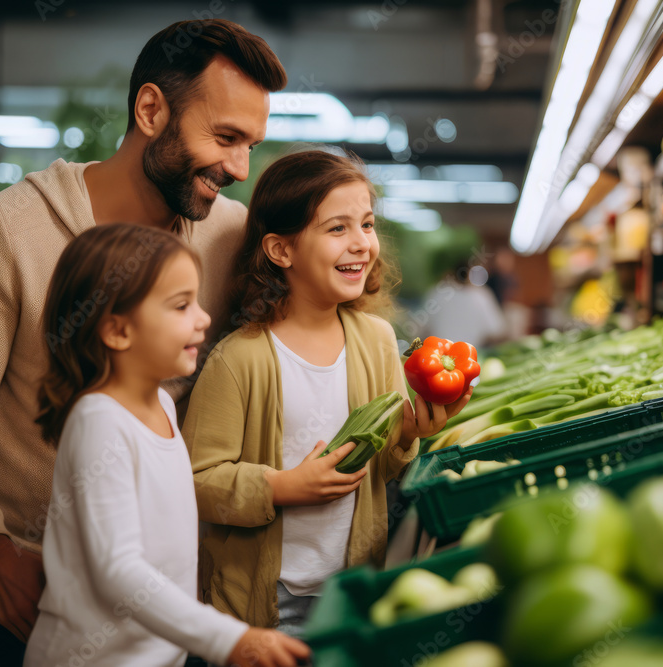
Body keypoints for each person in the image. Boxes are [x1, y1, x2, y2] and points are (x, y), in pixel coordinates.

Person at [0, 19, 286, 666]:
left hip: (177, 596)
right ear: (151, 109)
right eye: (225, 137)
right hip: (25, 580)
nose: (239, 167)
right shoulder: (11, 229)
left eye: (251, 143)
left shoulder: (232, 236)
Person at [183, 150, 472, 634]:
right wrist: (282, 488)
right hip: (261, 602)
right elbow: (194, 482)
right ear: (281, 250)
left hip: (353, 585)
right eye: (337, 229)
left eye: (366, 224)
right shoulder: (239, 358)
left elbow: (383, 468)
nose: (361, 243)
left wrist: (408, 435)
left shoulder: (378, 340)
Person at [23, 224, 309, 667]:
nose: (204, 318)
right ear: (117, 331)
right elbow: (117, 571)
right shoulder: (99, 422)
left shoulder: (159, 401)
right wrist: (226, 638)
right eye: (181, 305)